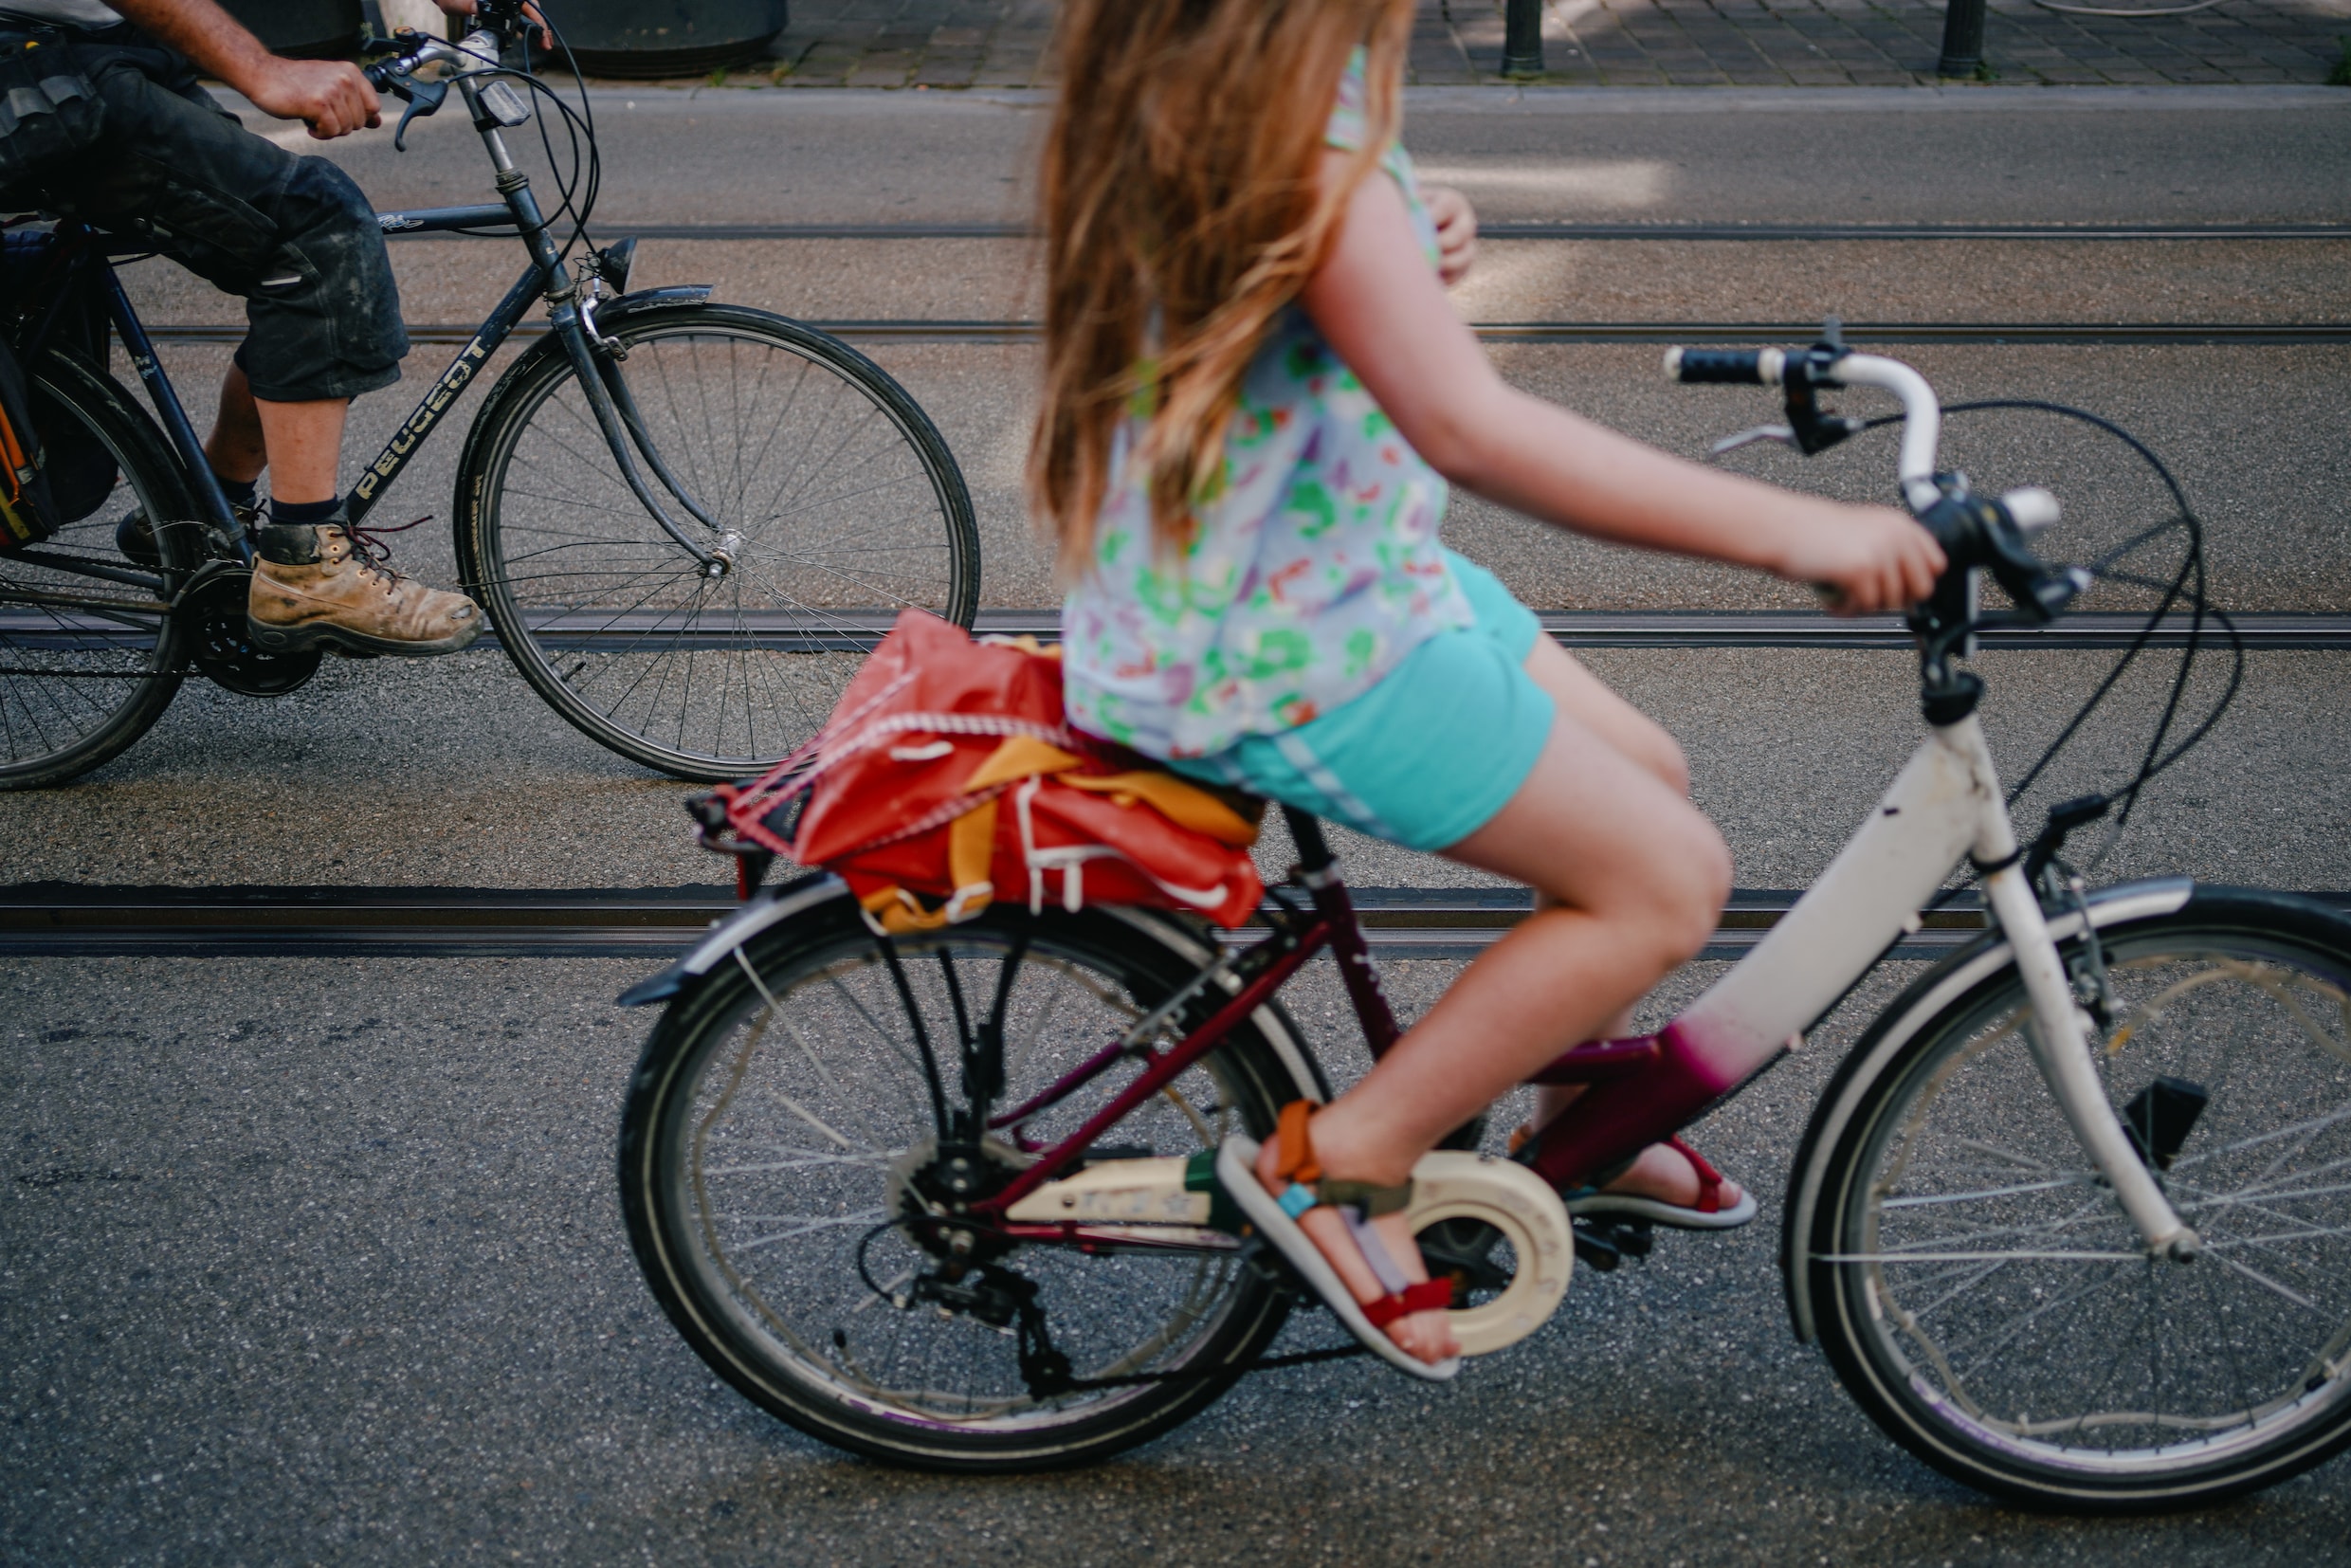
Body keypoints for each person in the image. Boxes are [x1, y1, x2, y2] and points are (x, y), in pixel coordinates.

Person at [1036, 0, 1945, 1369]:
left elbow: (1312, 273)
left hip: (1336, 571)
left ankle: (1577, 1117)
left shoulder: (1268, 86)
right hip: (1284, 644)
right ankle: (1343, 1162)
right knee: (1664, 882)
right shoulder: (1299, 143)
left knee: (1646, 780)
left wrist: (1417, 230)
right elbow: (1470, 427)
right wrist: (1799, 530)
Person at [0, 0, 485, 653]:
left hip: (87, 46)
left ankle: (207, 511)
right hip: (34, 70)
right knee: (314, 229)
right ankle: (304, 568)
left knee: (277, 243)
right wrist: (260, 69)